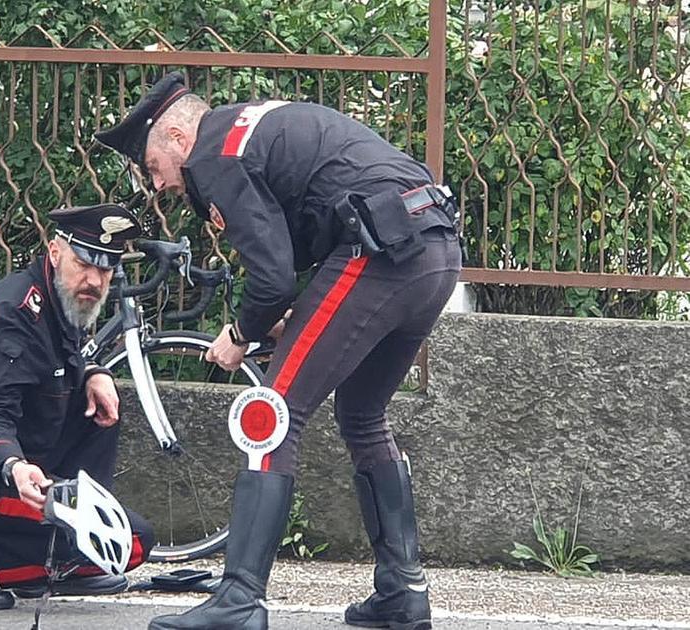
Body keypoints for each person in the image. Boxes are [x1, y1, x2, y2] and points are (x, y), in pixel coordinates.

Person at [96, 72, 460, 630]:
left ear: (175, 135)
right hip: (432, 249)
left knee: (271, 415)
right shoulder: (249, 128)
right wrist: (292, 309)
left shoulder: (214, 155)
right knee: (361, 414)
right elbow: (303, 236)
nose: (160, 185)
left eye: (152, 168)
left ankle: (240, 598)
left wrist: (240, 335)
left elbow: (270, 281)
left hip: (379, 253)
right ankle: (403, 592)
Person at [0, 203, 155, 611]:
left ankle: (55, 553)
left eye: (106, 269)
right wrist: (14, 467)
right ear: (55, 253)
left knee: (102, 414)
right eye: (84, 264)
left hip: (10, 452)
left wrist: (93, 372)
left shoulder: (57, 295)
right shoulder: (16, 320)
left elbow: (58, 360)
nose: (94, 280)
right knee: (135, 542)